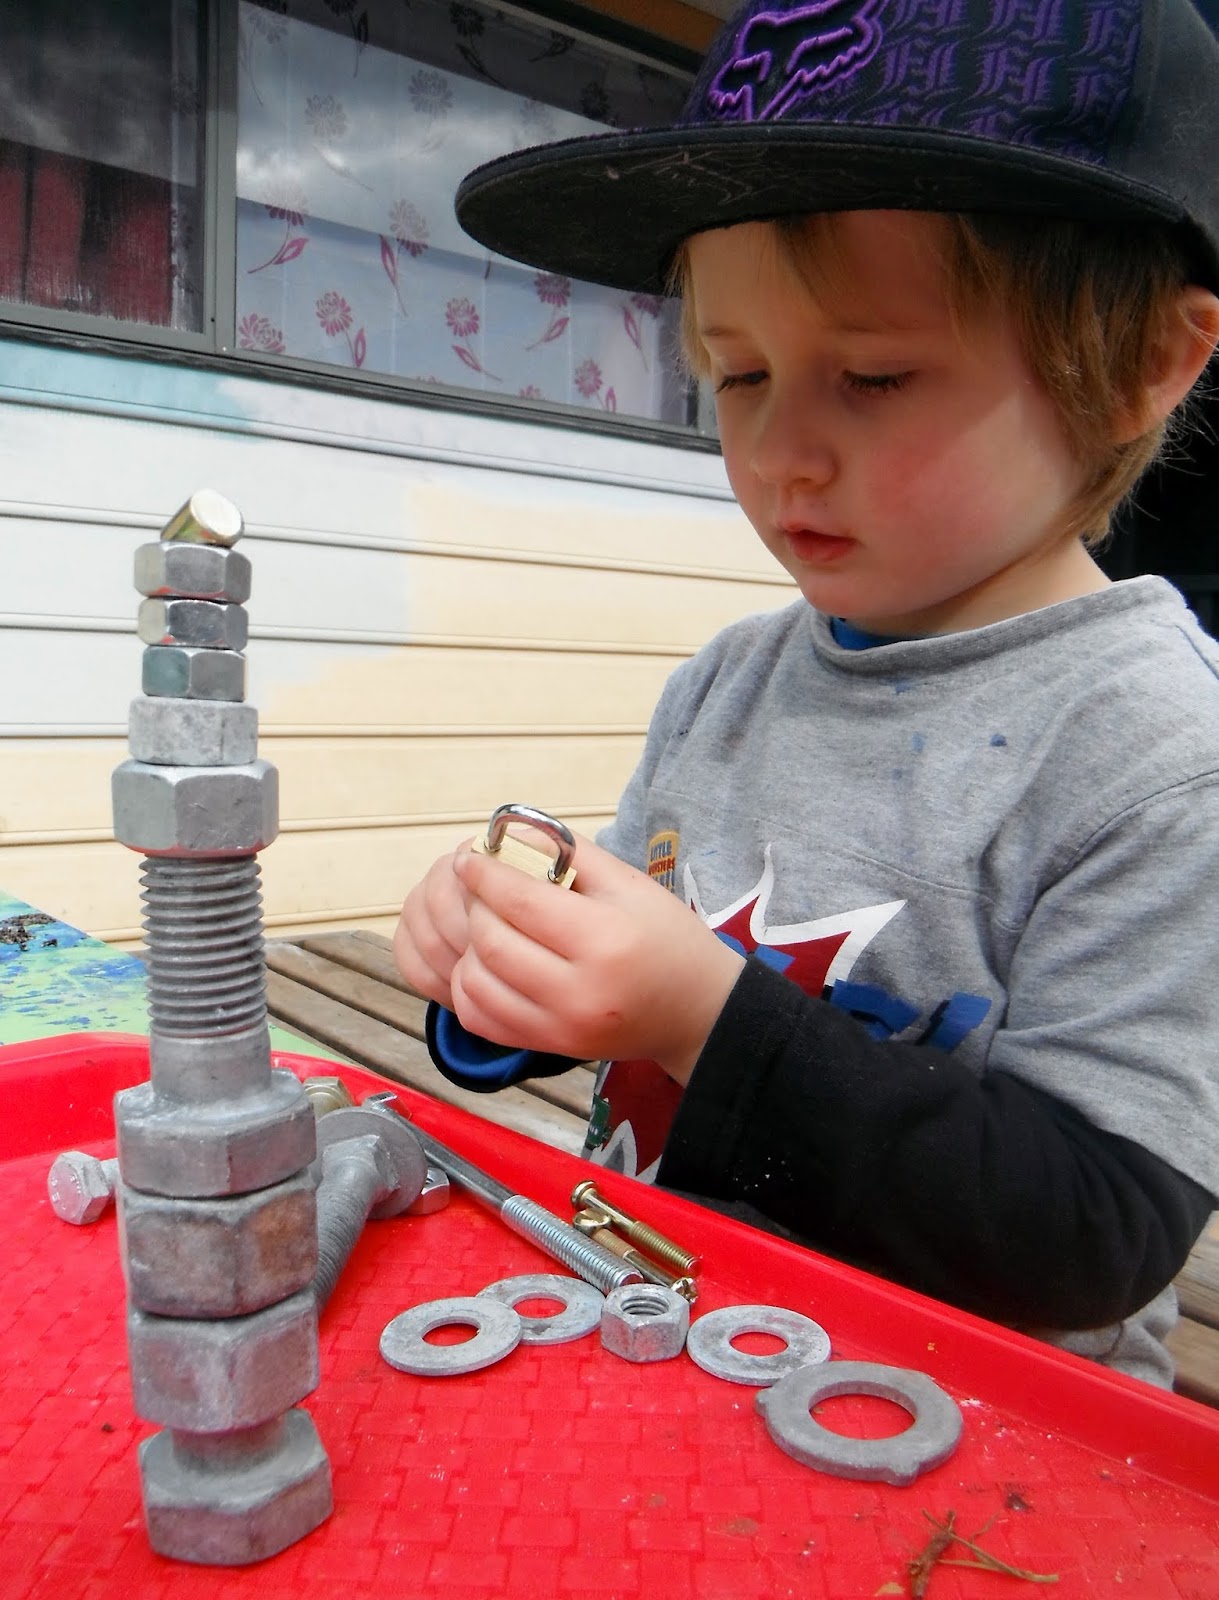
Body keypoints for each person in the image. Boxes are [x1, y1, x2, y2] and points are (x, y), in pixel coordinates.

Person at [394, 0, 1219, 1386]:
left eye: (876, 376)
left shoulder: (1156, 754)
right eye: (738, 374)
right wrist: (503, 980)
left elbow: (1097, 1233)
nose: (781, 453)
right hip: (658, 1335)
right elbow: (628, 1011)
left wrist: (697, 1013)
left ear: (1144, 365)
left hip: (960, 1445)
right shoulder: (728, 680)